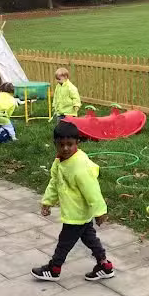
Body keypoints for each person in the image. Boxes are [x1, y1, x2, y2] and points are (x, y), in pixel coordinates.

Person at [31, 120, 114, 282]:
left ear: (78, 143)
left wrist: (100, 211)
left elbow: (92, 190)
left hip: (77, 213)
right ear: (55, 143)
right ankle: (105, 265)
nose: (66, 149)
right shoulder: (59, 161)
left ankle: (54, 268)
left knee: (65, 242)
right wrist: (47, 201)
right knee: (89, 238)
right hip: (75, 212)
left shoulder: (80, 167)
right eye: (61, 145)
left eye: (70, 144)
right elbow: (55, 182)